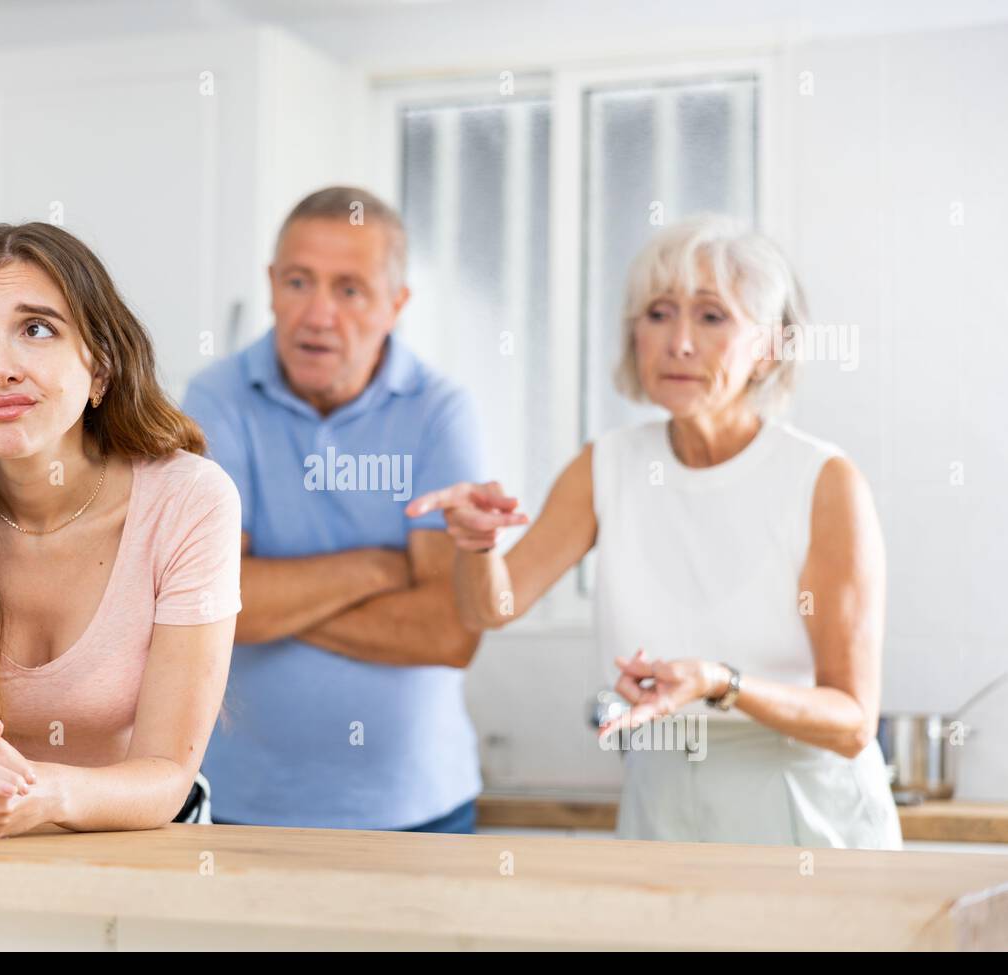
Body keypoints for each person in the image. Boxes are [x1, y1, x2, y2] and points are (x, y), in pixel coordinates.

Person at [408, 214, 903, 848]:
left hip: (808, 817)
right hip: (664, 807)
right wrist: (476, 544)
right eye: (659, 313)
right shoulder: (605, 466)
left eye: (713, 316)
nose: (680, 342)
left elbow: (853, 721)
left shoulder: (823, 481)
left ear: (770, 347)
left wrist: (723, 684)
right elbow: (491, 607)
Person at [0, 222, 242, 839]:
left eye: (36, 329)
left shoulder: (189, 500)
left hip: (143, 842)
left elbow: (166, 774)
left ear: (102, 370)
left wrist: (41, 791)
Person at [182, 186, 486, 833]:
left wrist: (270, 595)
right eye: (298, 281)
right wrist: (382, 566)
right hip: (241, 806)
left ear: (396, 305)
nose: (318, 313)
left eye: (349, 290)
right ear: (270, 285)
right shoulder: (216, 397)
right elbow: (215, 600)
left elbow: (450, 632)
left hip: (419, 811)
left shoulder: (439, 411)